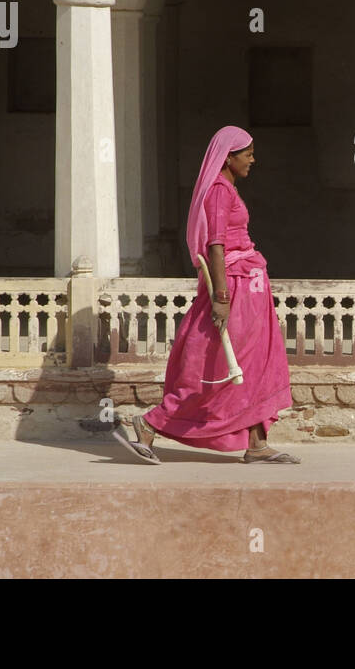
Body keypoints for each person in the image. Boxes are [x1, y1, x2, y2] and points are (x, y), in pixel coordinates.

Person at [113, 125, 299, 464]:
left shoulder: (229, 189)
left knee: (254, 363)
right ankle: (150, 424)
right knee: (210, 365)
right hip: (234, 286)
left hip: (250, 286)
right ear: (230, 157)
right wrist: (222, 298)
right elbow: (216, 245)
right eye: (249, 154)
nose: (253, 160)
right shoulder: (219, 191)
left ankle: (256, 442)